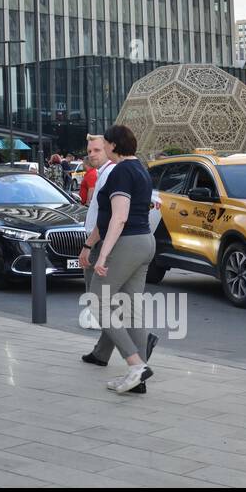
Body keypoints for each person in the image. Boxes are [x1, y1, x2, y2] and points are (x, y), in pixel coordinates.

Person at [78, 134, 157, 390]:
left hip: (127, 243)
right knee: (130, 306)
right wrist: (91, 245)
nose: (94, 152)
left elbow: (119, 217)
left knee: (97, 301)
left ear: (113, 145)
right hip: (144, 241)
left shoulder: (121, 171)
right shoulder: (140, 169)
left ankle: (136, 365)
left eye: (103, 146)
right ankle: (138, 380)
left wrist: (102, 255)